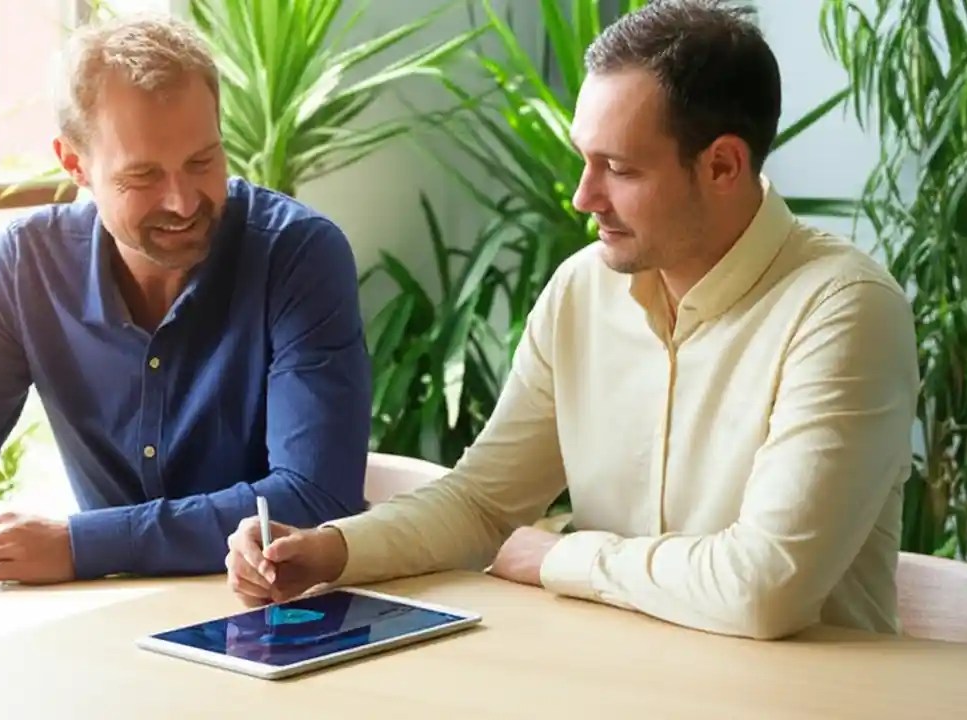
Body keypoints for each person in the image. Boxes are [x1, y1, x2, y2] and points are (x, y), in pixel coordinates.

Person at [225, 0, 919, 640]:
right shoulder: (583, 289)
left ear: (723, 166)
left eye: (618, 168)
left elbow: (765, 588)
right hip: (606, 683)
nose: (585, 196)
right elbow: (480, 504)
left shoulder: (845, 309)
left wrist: (559, 558)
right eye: (584, 159)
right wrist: (331, 550)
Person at [0, 13, 372, 603]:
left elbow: (315, 497)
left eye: (203, 161)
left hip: (282, 617)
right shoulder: (28, 266)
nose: (182, 200)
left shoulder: (298, 255)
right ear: (74, 164)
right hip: (112, 620)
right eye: (144, 175)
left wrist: (80, 545)